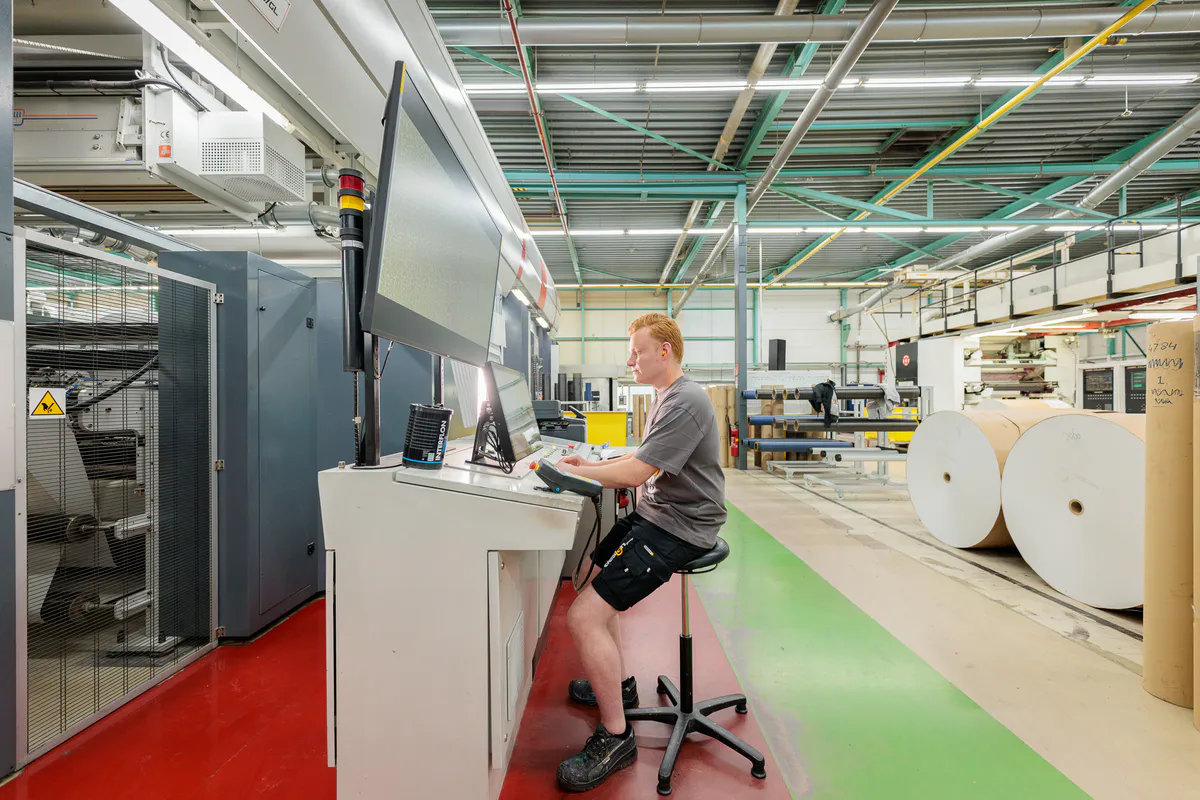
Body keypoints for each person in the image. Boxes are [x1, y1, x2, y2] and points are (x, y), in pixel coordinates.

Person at [553, 313, 727, 793]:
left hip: (683, 528)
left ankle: (616, 736)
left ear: (663, 353)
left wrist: (578, 475)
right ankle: (622, 687)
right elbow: (638, 461)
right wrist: (590, 464)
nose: (630, 360)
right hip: (659, 514)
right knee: (591, 576)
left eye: (637, 351)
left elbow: (633, 475)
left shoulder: (685, 401)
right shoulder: (666, 397)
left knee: (583, 618)